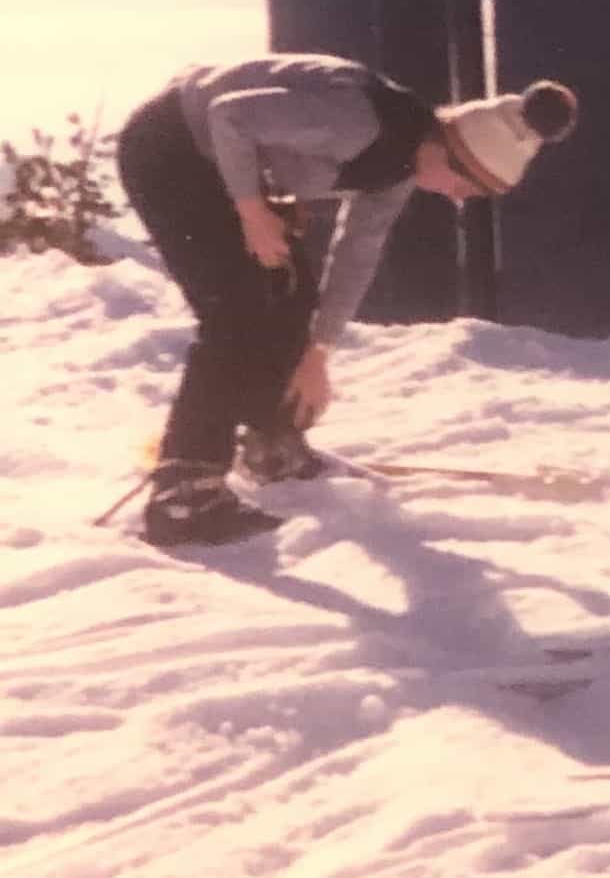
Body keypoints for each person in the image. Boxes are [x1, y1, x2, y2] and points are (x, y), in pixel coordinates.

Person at [113, 58, 578, 547]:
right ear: (452, 151)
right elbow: (228, 115)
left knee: (292, 291)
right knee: (235, 311)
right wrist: (251, 211)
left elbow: (357, 254)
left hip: (219, 164)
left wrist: (319, 353)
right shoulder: (358, 124)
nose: (460, 198)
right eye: (469, 185)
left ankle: (271, 442)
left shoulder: (399, 169)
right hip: (169, 147)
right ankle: (184, 497)